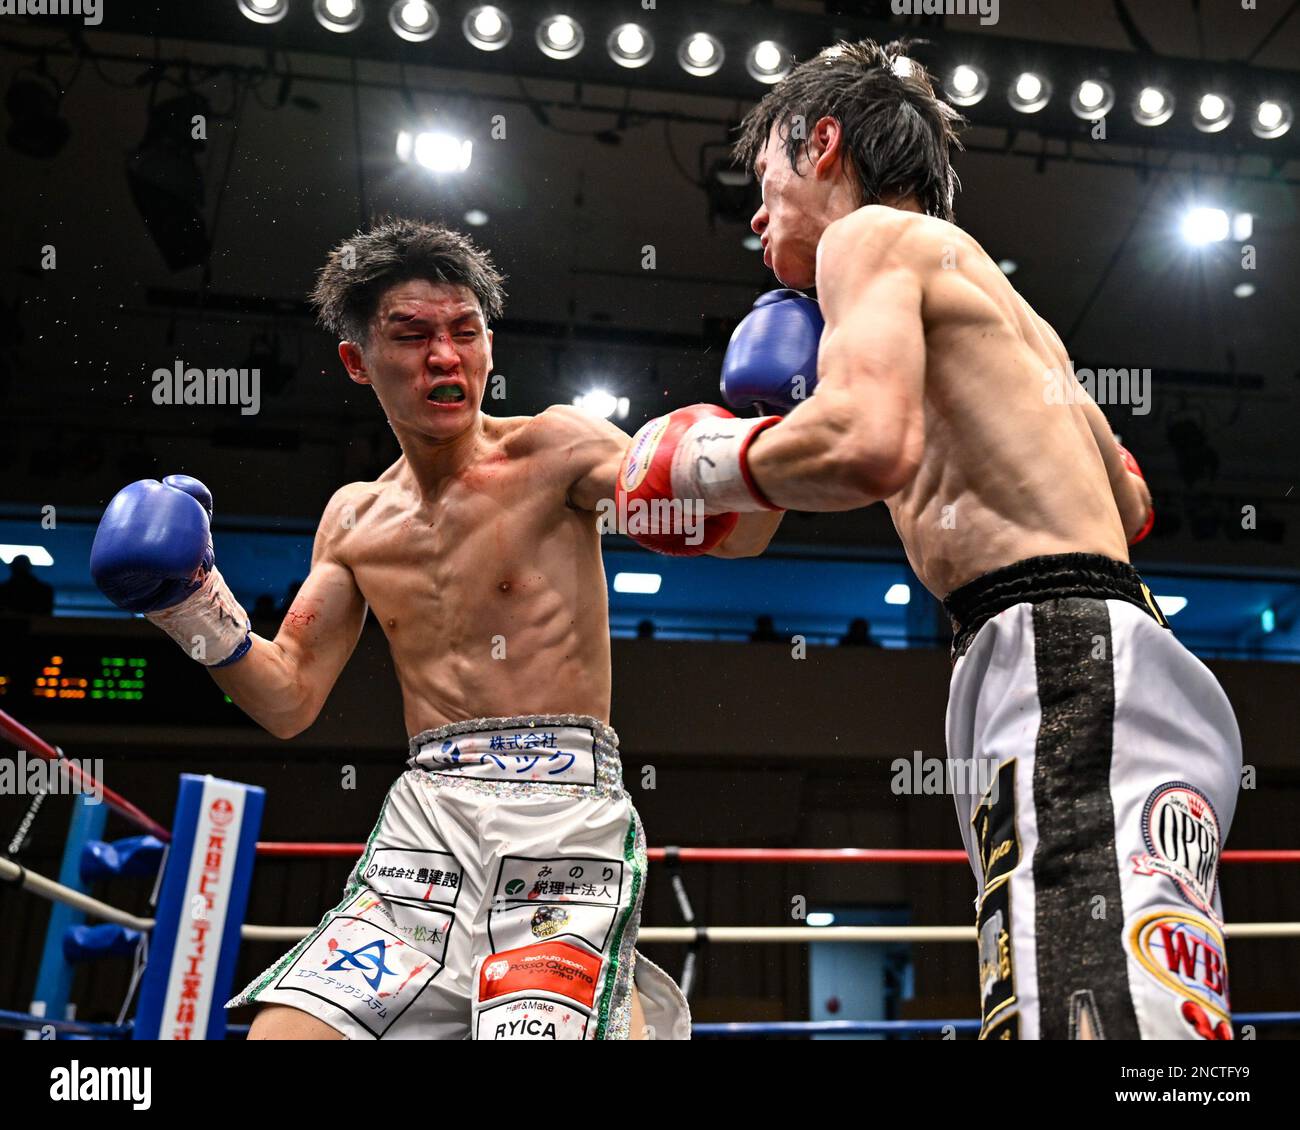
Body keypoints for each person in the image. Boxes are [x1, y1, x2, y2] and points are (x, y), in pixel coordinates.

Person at [617, 41, 1240, 1041]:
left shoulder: (864, 240)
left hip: (1056, 657)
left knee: (1080, 1005)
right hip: (1099, 652)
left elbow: (866, 445)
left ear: (820, 142)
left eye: (763, 177)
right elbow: (1128, 499)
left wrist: (699, 459)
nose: (754, 214)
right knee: (1100, 991)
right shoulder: (1011, 310)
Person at [89, 219, 779, 1040]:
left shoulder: (556, 451)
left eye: (465, 331)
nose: (445, 357)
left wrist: (765, 429)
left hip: (559, 815)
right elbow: (287, 698)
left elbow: (736, 536)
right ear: (357, 361)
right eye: (412, 336)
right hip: (425, 832)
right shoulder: (355, 518)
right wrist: (190, 606)